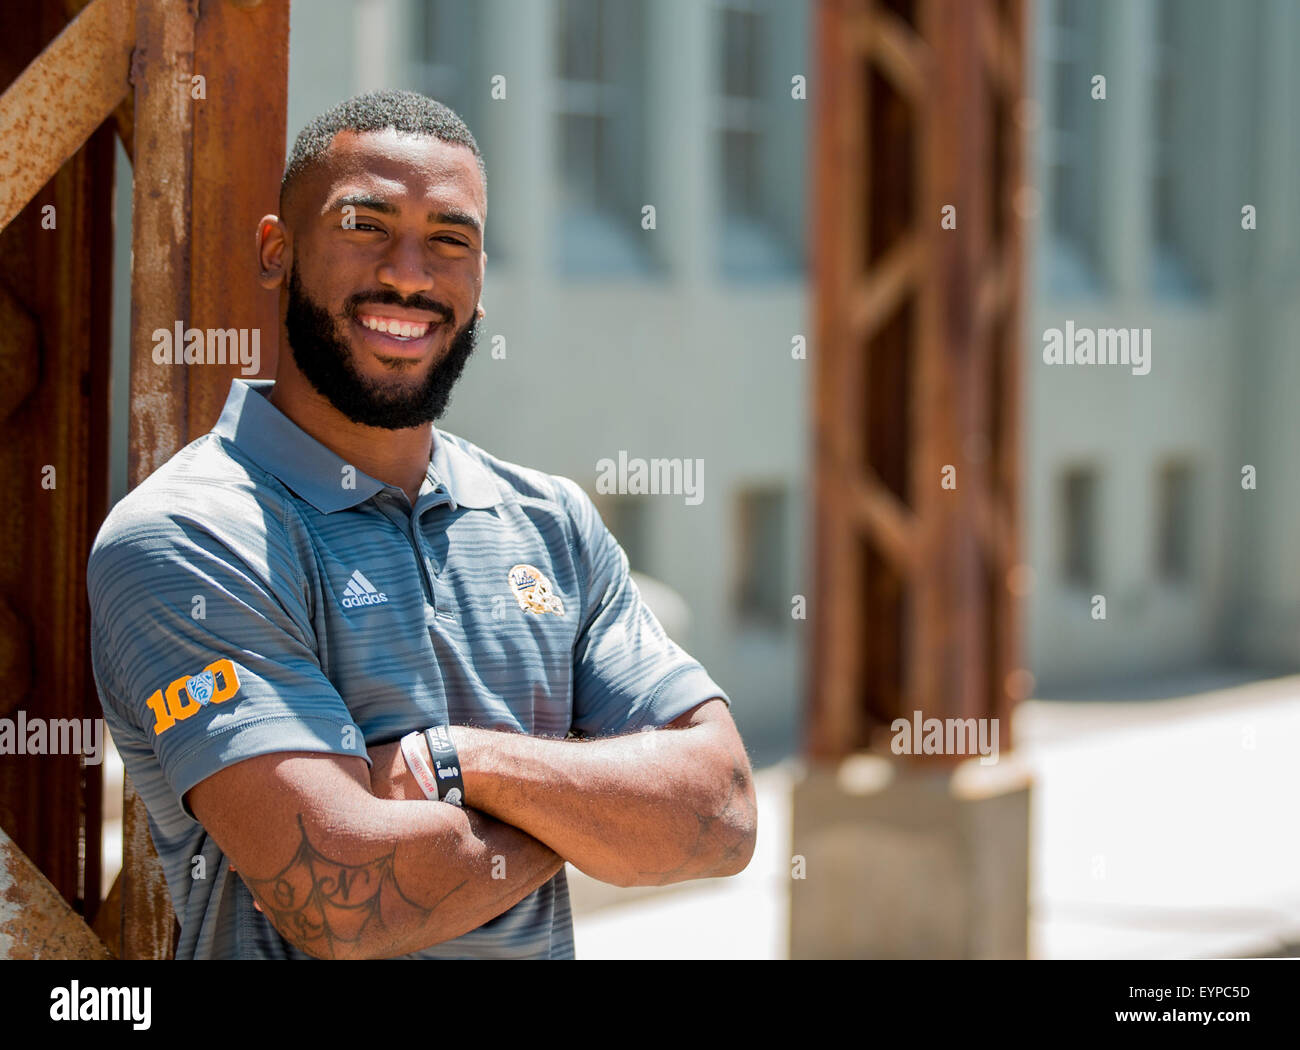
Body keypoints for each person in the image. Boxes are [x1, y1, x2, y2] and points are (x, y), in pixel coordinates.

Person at [87, 90, 756, 960]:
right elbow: (347, 901)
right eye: (365, 225)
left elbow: (725, 815)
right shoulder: (190, 537)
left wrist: (459, 764)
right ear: (276, 251)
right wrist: (596, 820)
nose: (409, 273)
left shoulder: (550, 522)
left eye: (449, 238)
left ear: (481, 280)